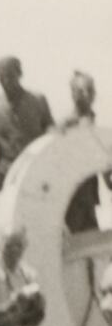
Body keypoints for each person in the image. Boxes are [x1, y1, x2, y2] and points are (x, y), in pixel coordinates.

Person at [0, 55, 53, 253]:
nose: (6, 81)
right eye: (1, 77)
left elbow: (51, 129)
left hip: (36, 169)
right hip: (7, 172)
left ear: (20, 74)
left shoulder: (38, 100)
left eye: (10, 76)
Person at [63, 70, 102, 233]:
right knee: (80, 242)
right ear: (73, 95)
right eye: (81, 91)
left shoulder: (92, 119)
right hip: (74, 196)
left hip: (88, 193)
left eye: (90, 90)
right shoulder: (67, 124)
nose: (87, 95)